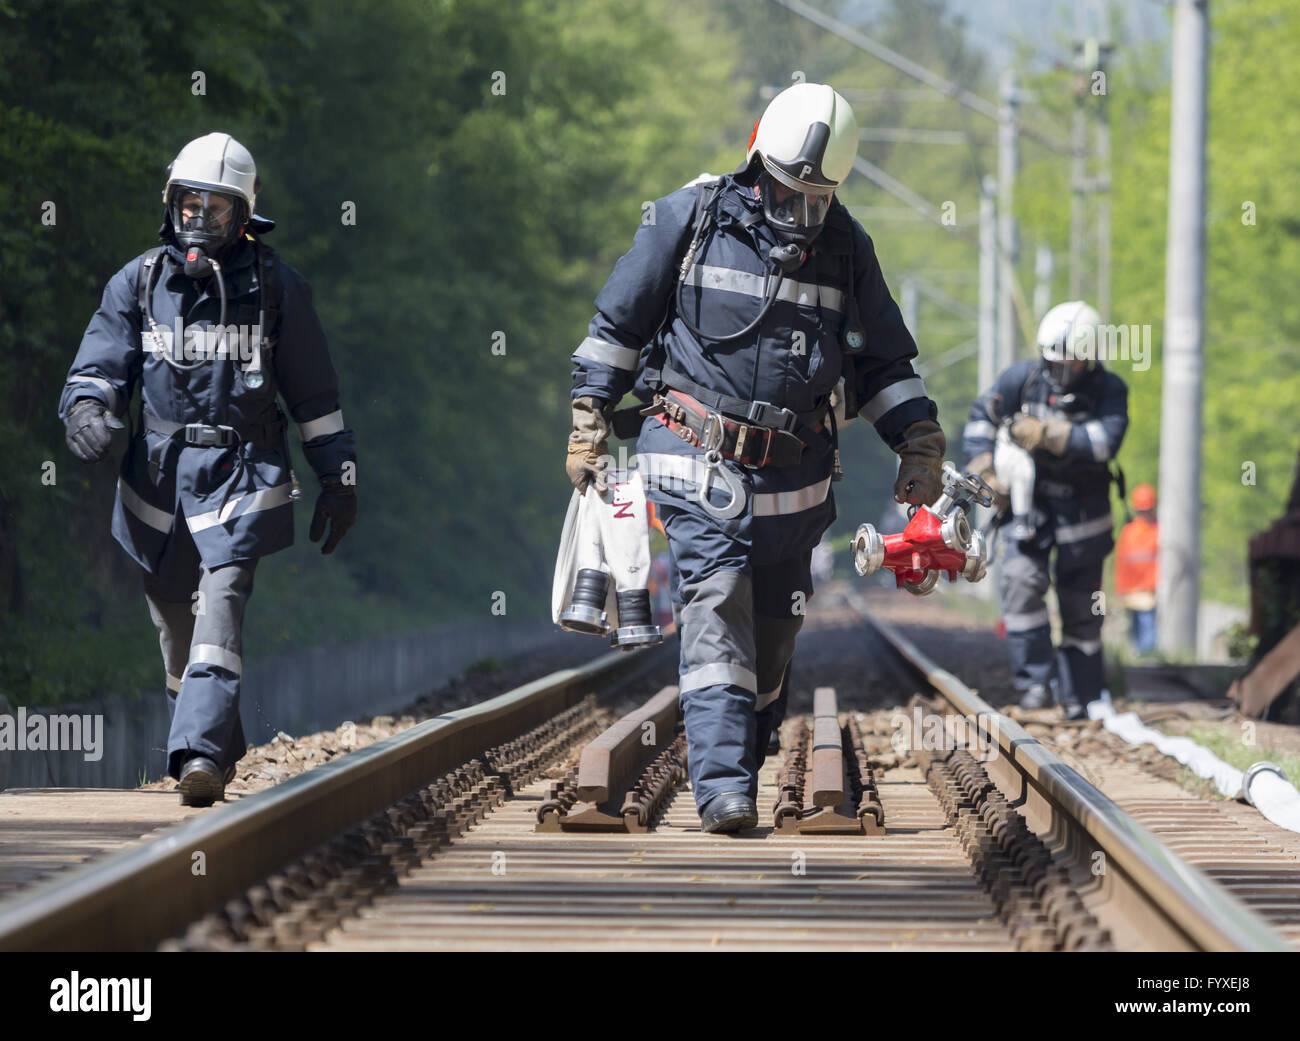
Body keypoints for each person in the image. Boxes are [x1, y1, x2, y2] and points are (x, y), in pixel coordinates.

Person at [565, 83, 945, 832]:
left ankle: (752, 730)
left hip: (794, 482)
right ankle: (723, 788)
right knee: (717, 603)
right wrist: (590, 417)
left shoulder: (847, 250)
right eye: (783, 188)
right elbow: (619, 324)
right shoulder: (689, 217)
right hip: (691, 451)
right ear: (754, 158)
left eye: (814, 196)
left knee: (773, 635)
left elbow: (883, 365)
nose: (796, 208)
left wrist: (918, 443)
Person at [59, 133, 358, 805]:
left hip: (244, 468)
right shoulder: (139, 282)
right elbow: (99, 365)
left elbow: (314, 396)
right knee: (173, 620)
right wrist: (86, 408)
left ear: (243, 217)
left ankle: (197, 754)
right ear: (170, 204)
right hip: (158, 472)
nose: (199, 219)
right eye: (188, 203)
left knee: (221, 601)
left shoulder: (278, 288)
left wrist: (339, 476)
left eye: (215, 209)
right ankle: (215, 733)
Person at [962, 300, 1128, 719]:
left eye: (1070, 364)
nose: (1061, 372)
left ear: (1089, 358)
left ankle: (1082, 696)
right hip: (1027, 509)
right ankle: (1035, 685)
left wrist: (1048, 433)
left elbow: (1104, 442)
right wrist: (987, 472)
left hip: (1083, 516)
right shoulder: (1021, 379)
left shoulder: (1110, 391)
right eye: (1055, 363)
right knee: (1020, 584)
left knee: (1082, 607)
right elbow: (981, 419)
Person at [1115, 483, 1159, 655]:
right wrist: (1121, 590)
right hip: (1135, 590)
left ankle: (1146, 658)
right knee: (1138, 627)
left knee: (1146, 626)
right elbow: (1122, 562)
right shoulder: (1131, 531)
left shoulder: (1157, 530)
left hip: (1149, 590)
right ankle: (1142, 658)